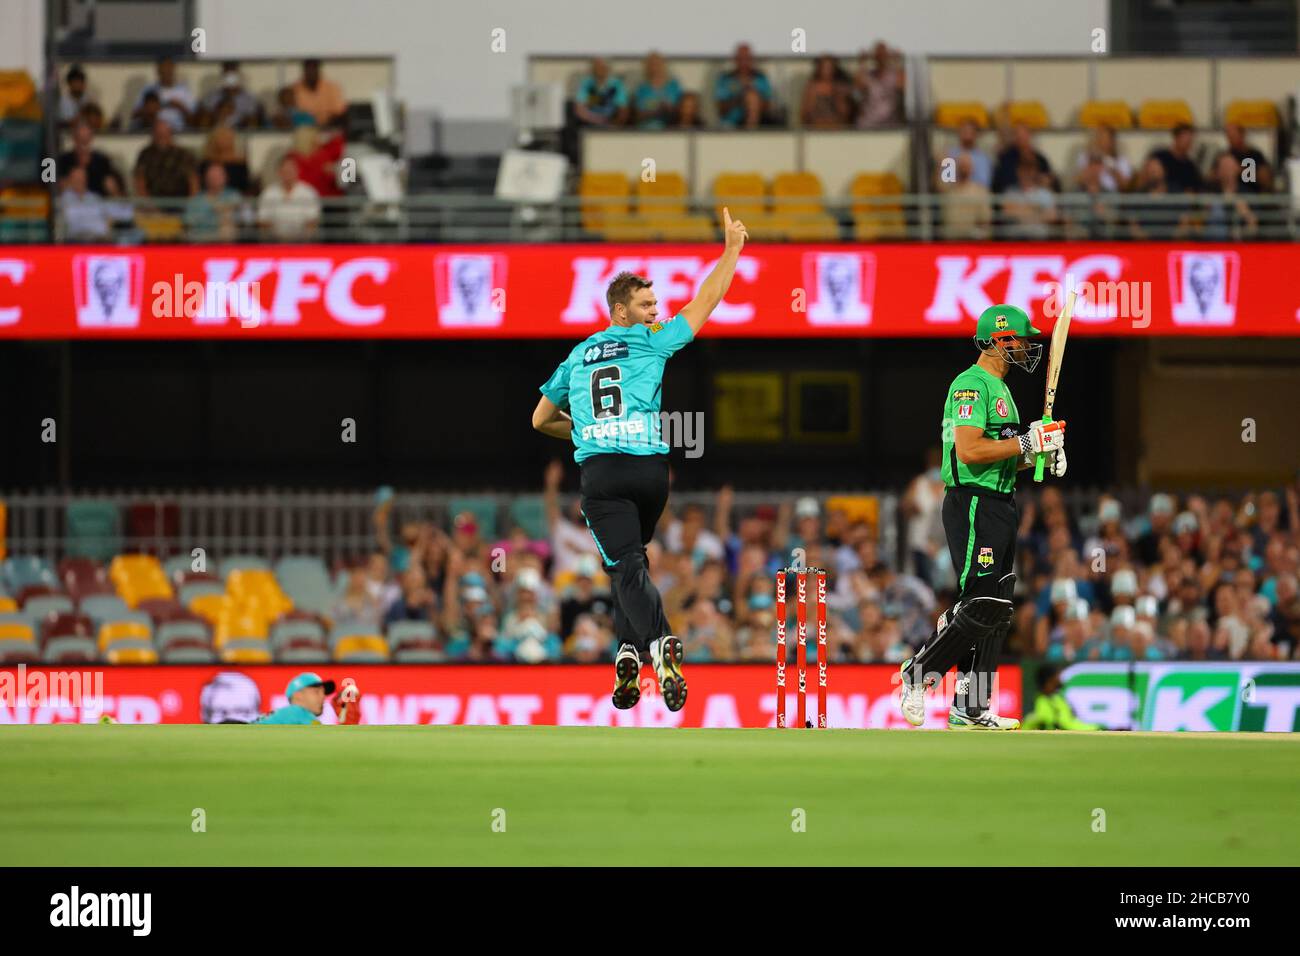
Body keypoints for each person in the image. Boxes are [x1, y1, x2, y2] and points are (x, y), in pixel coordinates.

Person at [531, 207, 750, 712]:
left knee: (626, 567)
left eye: (656, 304)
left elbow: (540, 419)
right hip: (652, 474)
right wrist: (732, 251)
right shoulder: (652, 343)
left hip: (604, 474)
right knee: (632, 564)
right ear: (621, 311)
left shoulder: (577, 355)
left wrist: (582, 429)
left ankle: (658, 644)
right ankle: (627, 653)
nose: (656, 311)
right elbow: (708, 299)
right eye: (647, 304)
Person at [898, 304, 1066, 730]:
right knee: (984, 600)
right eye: (1021, 339)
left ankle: (970, 708)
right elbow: (970, 451)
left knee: (999, 606)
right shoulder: (970, 385)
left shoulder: (1002, 389)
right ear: (997, 339)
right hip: (973, 502)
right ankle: (917, 674)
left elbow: (1003, 458)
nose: (1027, 346)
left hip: (1000, 503)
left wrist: (1040, 451)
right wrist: (1027, 441)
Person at [256, 672, 361, 725]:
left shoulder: (286, 715)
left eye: (324, 692)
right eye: (316, 691)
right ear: (298, 695)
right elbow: (326, 743)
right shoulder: (296, 712)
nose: (323, 696)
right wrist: (348, 725)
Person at [1021, 665, 1101, 730]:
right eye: (1057, 676)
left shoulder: (1058, 699)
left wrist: (1094, 727)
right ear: (1049, 681)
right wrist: (1094, 728)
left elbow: (1068, 721)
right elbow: (1064, 724)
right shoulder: (1040, 702)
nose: (1060, 679)